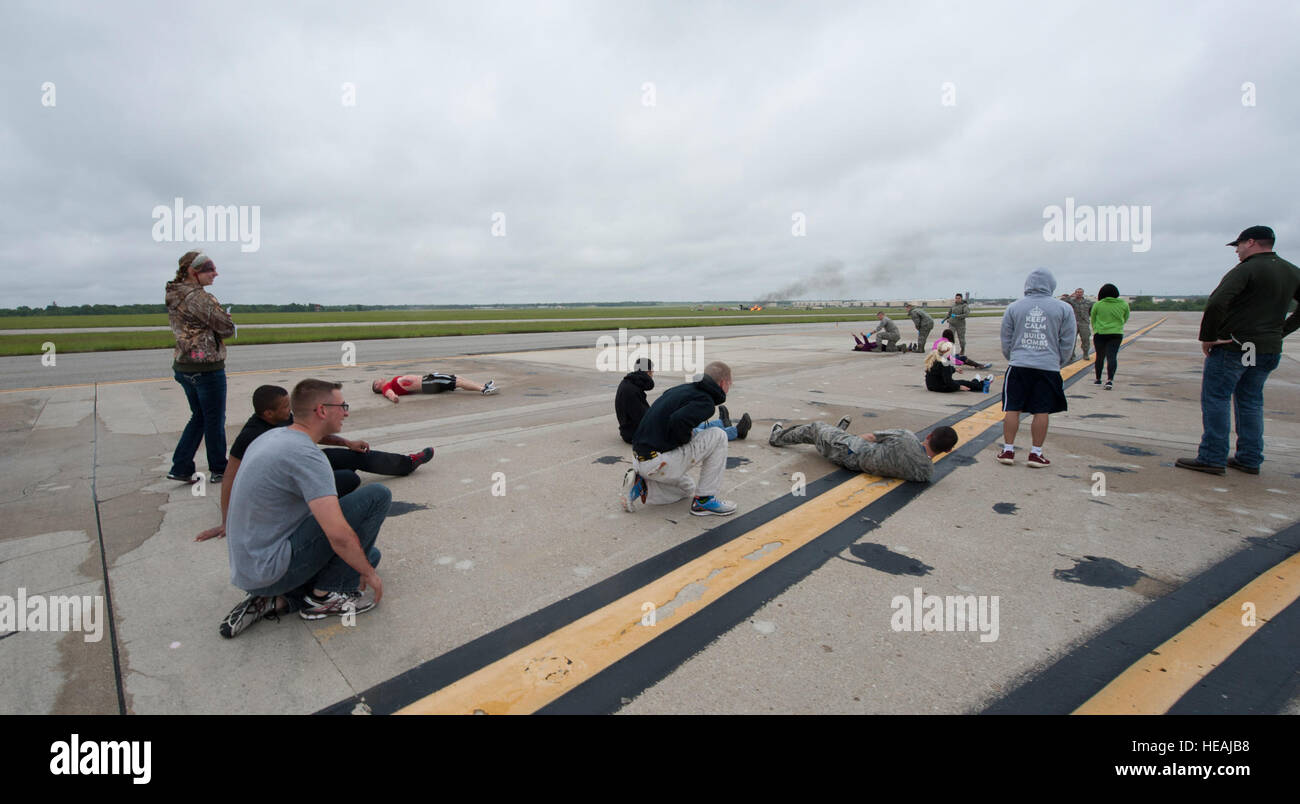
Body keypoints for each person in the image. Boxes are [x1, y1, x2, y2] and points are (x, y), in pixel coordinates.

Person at [219, 379, 391, 638]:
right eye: (342, 405)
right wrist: (369, 574)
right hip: (269, 569)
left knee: (370, 554)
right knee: (377, 496)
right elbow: (338, 535)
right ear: (322, 410)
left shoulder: (274, 437)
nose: (346, 411)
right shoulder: (307, 456)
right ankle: (324, 597)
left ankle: (276, 600)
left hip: (250, 567)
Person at [196, 385, 434, 541]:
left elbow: (314, 432)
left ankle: (407, 463)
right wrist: (226, 521)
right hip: (292, 482)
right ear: (268, 414)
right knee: (350, 479)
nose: (290, 411)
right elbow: (229, 476)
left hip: (308, 462)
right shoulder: (250, 435)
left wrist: (347, 442)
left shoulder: (283, 418)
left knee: (355, 457)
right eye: (285, 408)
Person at [1176, 225, 1300, 476]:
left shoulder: (1247, 269)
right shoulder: (1292, 271)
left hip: (1235, 346)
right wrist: (1280, 331)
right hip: (1266, 349)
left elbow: (1217, 302)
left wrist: (1209, 337)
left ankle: (1212, 456)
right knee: (1251, 401)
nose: (1237, 251)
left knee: (1217, 399)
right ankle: (1250, 458)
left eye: (1239, 246)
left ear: (1251, 242)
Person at [621, 361, 738, 516]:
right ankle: (704, 501)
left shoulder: (684, 389)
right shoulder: (706, 402)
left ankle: (642, 486)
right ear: (723, 383)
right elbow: (678, 421)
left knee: (687, 488)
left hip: (641, 459)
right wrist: (685, 438)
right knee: (718, 435)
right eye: (730, 384)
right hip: (657, 461)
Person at [166, 251, 235, 483]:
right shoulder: (200, 298)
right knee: (214, 419)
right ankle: (219, 469)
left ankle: (182, 466)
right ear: (193, 272)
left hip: (184, 365)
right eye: (210, 270)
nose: (215, 273)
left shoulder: (174, 294)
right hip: (206, 367)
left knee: (200, 416)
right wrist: (225, 319)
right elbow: (226, 328)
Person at [996, 268, 1075, 467]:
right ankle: (1036, 453)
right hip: (1047, 366)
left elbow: (1006, 338)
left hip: (1019, 364)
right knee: (1042, 410)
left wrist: (1013, 356)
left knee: (1012, 408)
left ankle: (1007, 450)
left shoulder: (1014, 307)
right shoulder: (1063, 308)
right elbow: (1068, 340)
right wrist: (1058, 362)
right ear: (1051, 284)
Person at [769, 417, 958, 483]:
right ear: (947, 450)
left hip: (850, 451)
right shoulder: (925, 472)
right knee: (827, 435)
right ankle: (834, 434)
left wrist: (846, 440)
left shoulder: (906, 437)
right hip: (858, 465)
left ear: (930, 435)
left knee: (816, 428)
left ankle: (777, 437)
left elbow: (870, 437)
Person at [615, 358, 750, 444]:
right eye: (652, 372)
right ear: (648, 372)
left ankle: (720, 422)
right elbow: (644, 419)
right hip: (635, 434)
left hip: (633, 430)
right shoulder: (632, 390)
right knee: (696, 432)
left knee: (688, 424)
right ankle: (736, 431)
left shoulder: (629, 385)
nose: (653, 374)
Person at [1090, 284, 1130, 390]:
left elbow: (1093, 318)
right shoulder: (1123, 304)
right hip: (1116, 333)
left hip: (1100, 333)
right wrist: (1117, 326)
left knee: (1100, 356)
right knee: (1112, 356)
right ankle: (1109, 380)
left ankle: (1098, 379)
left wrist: (1096, 329)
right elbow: (1126, 317)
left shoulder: (1098, 304)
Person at [372, 373, 497, 402]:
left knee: (456, 378)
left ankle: (483, 385)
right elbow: (389, 394)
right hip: (428, 383)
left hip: (429, 380)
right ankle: (483, 390)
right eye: (377, 381)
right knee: (456, 382)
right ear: (377, 386)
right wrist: (393, 397)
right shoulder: (386, 388)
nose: (380, 379)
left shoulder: (389, 384)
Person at [925, 342, 989, 393]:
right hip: (942, 387)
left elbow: (939, 371)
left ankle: (975, 381)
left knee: (963, 382)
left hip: (931, 386)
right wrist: (958, 387)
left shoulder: (935, 357)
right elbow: (948, 381)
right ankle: (982, 384)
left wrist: (955, 369)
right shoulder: (945, 363)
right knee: (963, 382)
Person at [1066, 288, 1094, 361]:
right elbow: (1062, 301)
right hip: (1074, 323)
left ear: (1083, 293)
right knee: (1072, 340)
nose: (1079, 293)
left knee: (1085, 339)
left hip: (1084, 323)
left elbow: (1093, 310)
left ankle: (1085, 354)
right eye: (1077, 292)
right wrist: (1070, 296)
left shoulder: (1088, 302)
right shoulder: (1071, 301)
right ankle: (1071, 355)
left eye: (1080, 292)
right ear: (1075, 293)